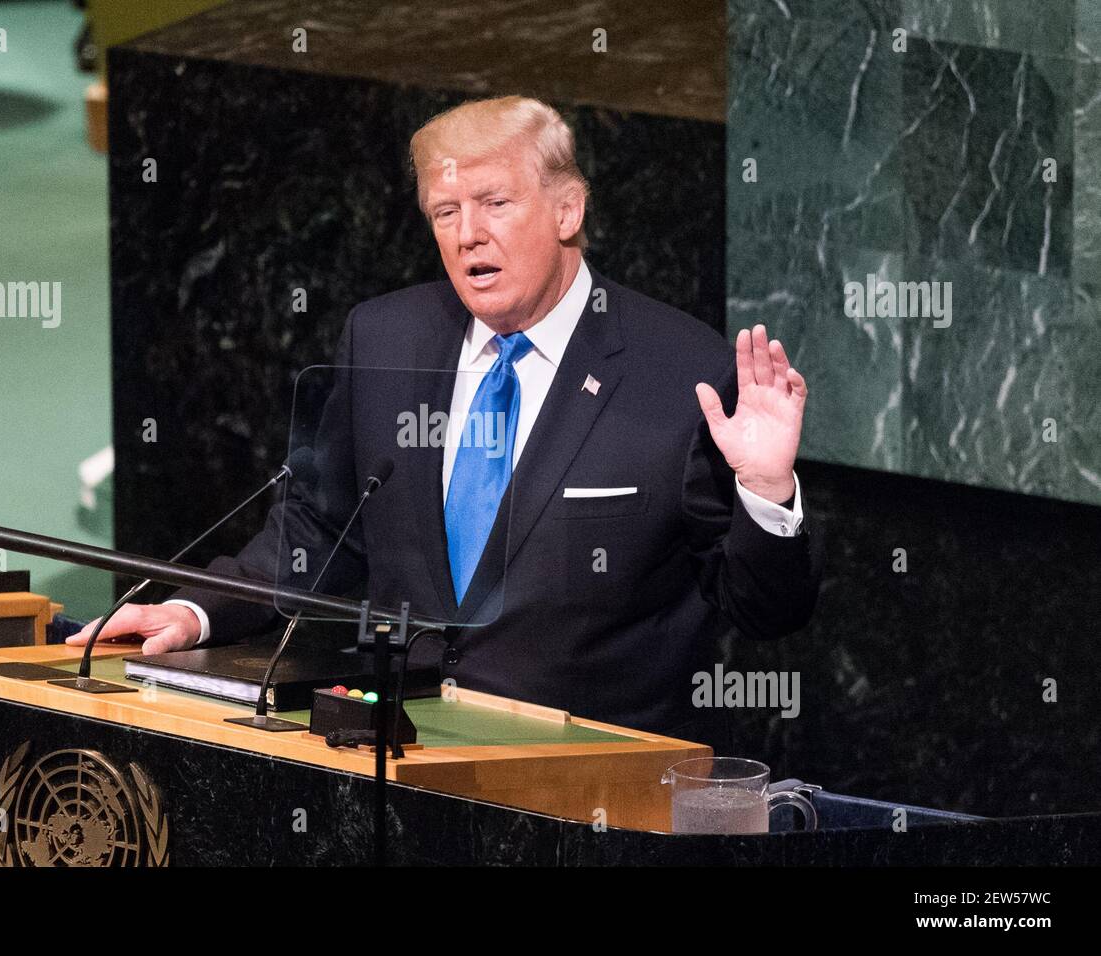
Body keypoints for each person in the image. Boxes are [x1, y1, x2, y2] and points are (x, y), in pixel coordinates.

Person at [69, 95, 823, 737]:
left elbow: (765, 611)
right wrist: (195, 610)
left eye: (495, 203)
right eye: (445, 211)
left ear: (568, 209)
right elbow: (319, 533)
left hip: (591, 788)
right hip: (404, 758)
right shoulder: (385, 338)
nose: (468, 235)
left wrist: (765, 489)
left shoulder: (678, 371)